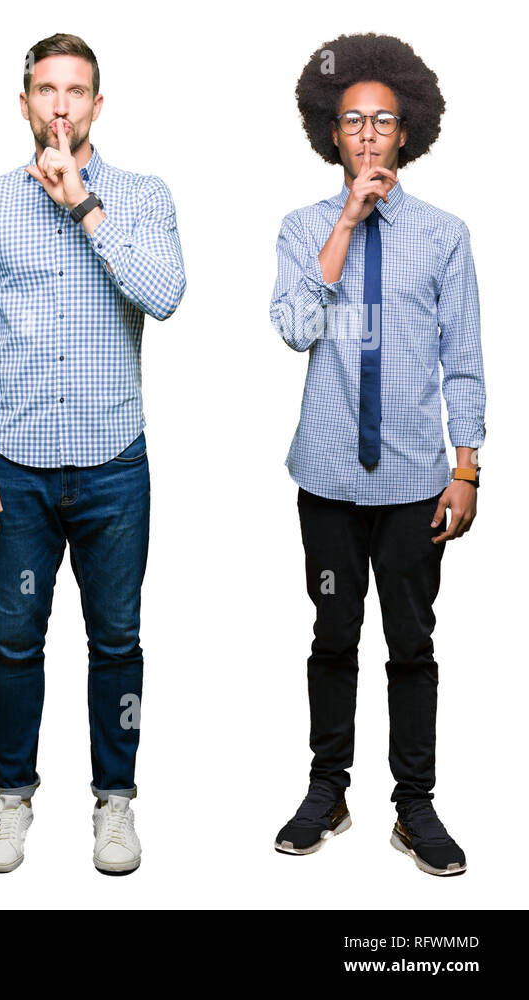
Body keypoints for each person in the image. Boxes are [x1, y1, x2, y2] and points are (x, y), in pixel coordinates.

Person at [0, 32, 186, 875]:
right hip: (13, 467)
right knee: (15, 638)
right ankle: (13, 798)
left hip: (115, 467)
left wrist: (85, 205)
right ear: (24, 103)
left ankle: (115, 803)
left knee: (117, 640)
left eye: (75, 91)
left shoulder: (142, 198)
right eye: (45, 90)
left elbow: (166, 294)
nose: (59, 106)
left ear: (97, 105)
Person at [269, 32, 484, 877]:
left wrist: (466, 470)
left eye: (381, 121)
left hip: (413, 486)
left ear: (407, 131)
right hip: (324, 480)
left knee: (412, 645)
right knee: (332, 636)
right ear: (330, 133)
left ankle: (415, 804)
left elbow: (462, 359)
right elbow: (295, 327)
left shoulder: (444, 236)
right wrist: (350, 220)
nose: (365, 134)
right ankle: (328, 790)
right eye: (350, 120)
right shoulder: (301, 229)